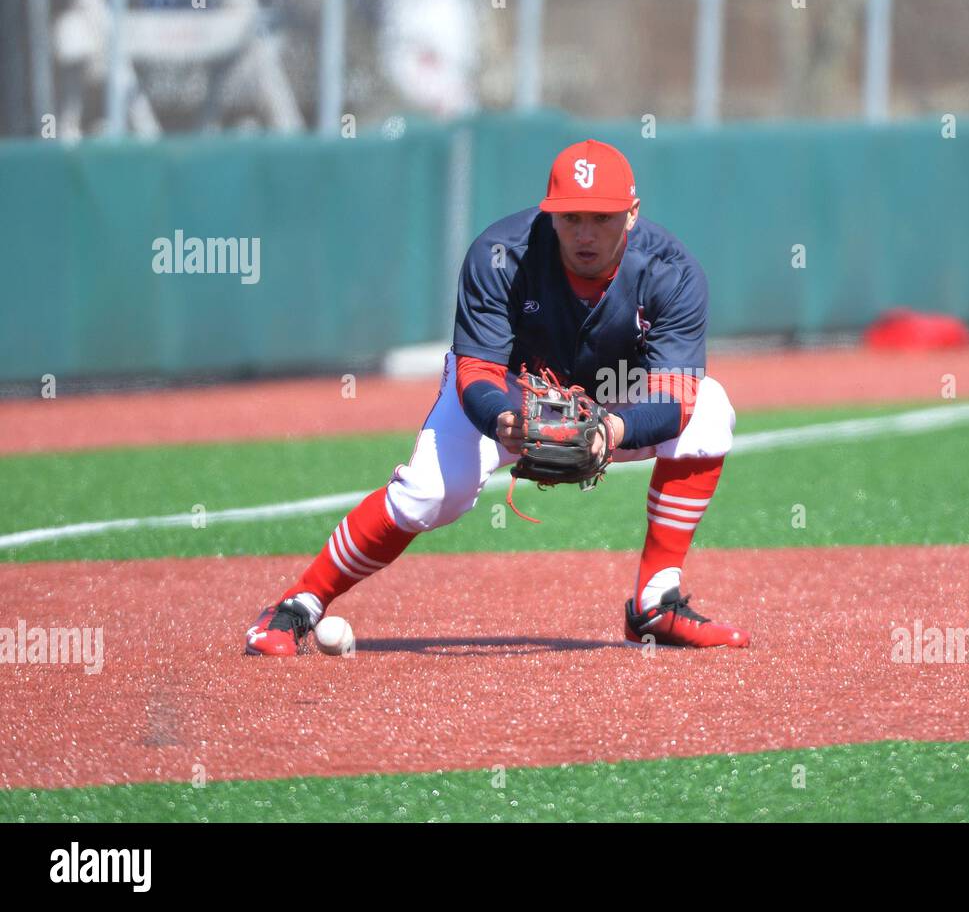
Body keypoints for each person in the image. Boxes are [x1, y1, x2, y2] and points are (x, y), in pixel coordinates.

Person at [244, 139, 749, 655]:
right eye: (570, 217)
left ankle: (656, 603)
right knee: (428, 495)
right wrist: (501, 419)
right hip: (510, 393)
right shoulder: (501, 254)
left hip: (612, 400)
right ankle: (297, 604)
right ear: (549, 214)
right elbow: (476, 370)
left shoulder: (671, 271)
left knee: (710, 409)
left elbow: (677, 396)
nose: (585, 233)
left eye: (602, 217)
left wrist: (614, 430)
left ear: (633, 214)